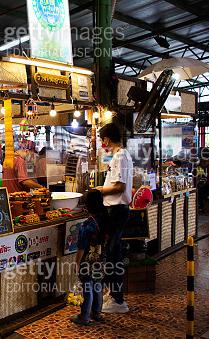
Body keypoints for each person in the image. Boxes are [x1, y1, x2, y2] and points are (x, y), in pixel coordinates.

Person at [95, 123, 133, 314]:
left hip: (116, 210)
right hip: (118, 210)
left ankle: (118, 300)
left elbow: (119, 187)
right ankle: (114, 295)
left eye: (102, 140)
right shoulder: (123, 155)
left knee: (113, 255)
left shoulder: (119, 156)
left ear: (106, 139)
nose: (103, 143)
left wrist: (99, 191)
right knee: (113, 253)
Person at [71, 189, 108, 326]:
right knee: (97, 284)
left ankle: (84, 316)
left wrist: (77, 264)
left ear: (86, 206)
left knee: (87, 286)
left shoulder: (86, 226)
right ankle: (96, 313)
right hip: (101, 260)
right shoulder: (105, 219)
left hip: (88, 261)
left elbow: (81, 247)